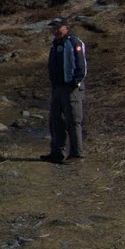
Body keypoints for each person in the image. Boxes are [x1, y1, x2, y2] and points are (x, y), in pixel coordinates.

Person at [44, 17, 87, 164]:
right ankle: (57, 152)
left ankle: (77, 154)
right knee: (55, 120)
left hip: (71, 87)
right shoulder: (55, 44)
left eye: (58, 28)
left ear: (66, 28)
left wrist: (74, 82)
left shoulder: (74, 42)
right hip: (57, 87)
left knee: (73, 120)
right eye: (53, 28)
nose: (55, 31)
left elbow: (81, 66)